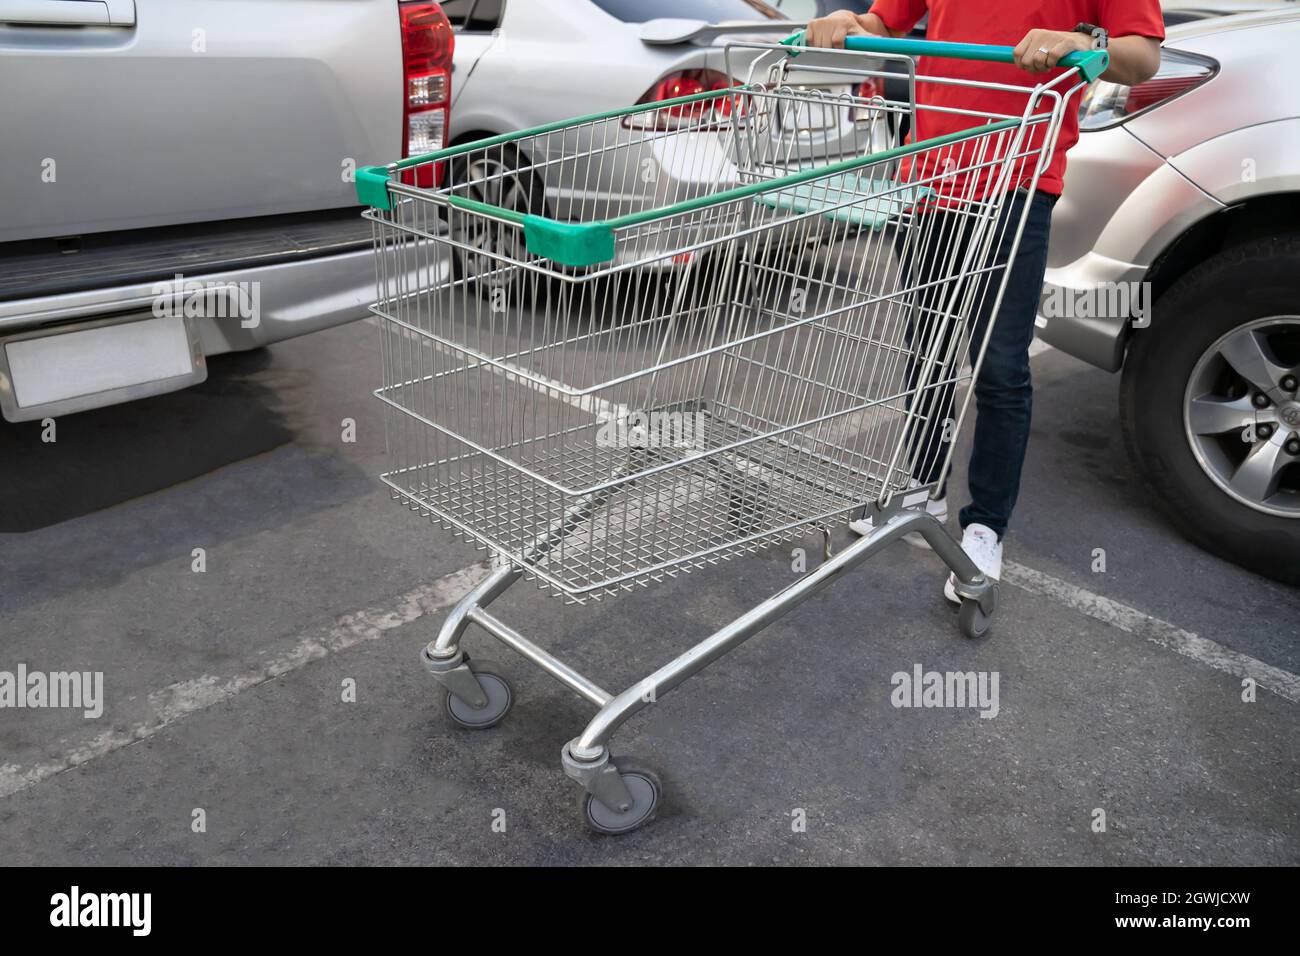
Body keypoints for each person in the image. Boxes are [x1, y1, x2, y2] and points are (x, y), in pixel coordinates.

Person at [806, 2, 1163, 604]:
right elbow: (885, 24)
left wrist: (1079, 43)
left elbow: (1142, 57)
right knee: (928, 349)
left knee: (999, 365)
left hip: (1016, 183)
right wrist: (845, 22)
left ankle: (985, 526)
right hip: (931, 181)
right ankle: (923, 489)